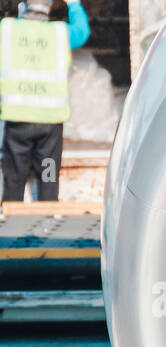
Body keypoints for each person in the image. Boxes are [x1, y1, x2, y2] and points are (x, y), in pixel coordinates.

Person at [1, 0, 91, 202]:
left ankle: (10, 221)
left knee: (15, 175)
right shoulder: (61, 34)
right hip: (49, 124)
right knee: (48, 173)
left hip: (18, 121)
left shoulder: (6, 31)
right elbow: (82, 32)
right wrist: (74, 4)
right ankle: (48, 211)